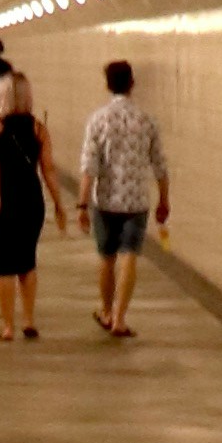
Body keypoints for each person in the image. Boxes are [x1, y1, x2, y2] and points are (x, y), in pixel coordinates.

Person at [75, 57, 168, 338]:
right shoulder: (147, 120)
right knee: (130, 256)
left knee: (107, 258)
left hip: (105, 201)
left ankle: (105, 310)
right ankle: (120, 318)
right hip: (136, 201)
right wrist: (164, 200)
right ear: (131, 84)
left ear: (108, 85)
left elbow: (89, 166)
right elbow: (160, 165)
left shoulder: (98, 119)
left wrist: (81, 204)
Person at [0, 57, 65, 340]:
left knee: (3, 264)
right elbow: (48, 170)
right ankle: (28, 319)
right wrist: (60, 205)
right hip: (31, 200)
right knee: (27, 261)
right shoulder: (39, 129)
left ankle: (7, 326)